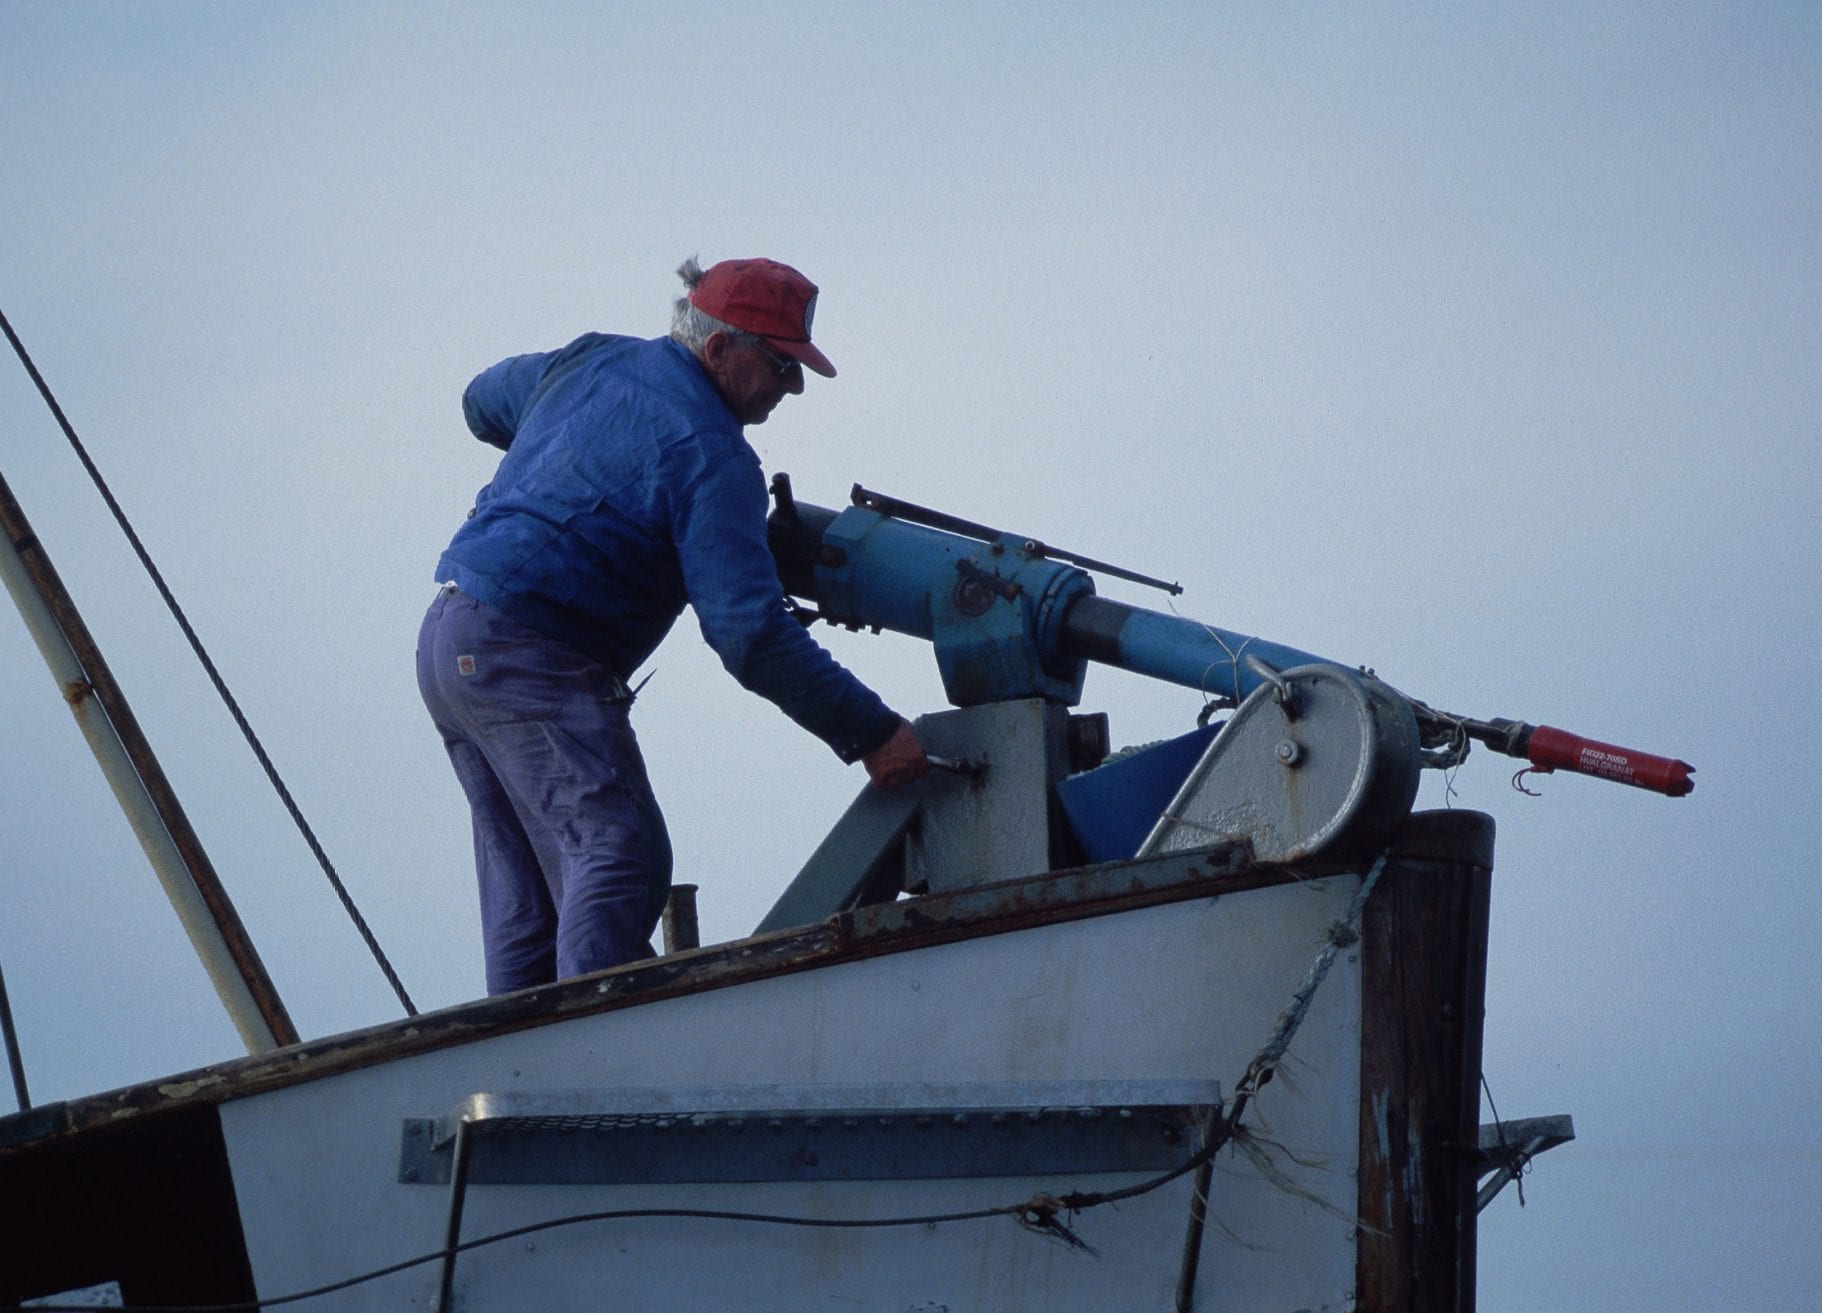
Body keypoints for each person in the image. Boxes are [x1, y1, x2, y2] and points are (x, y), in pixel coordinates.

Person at [417, 256, 927, 995]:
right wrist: (872, 732)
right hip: (532, 655)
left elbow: (479, 402)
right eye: (782, 364)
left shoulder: (591, 361)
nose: (794, 386)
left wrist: (573, 455)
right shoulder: (713, 456)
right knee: (617, 853)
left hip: (451, 638)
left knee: (528, 889)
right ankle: (598, 1045)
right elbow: (750, 634)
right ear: (719, 349)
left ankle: (522, 1048)